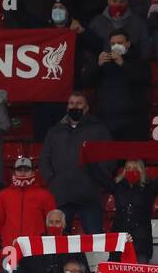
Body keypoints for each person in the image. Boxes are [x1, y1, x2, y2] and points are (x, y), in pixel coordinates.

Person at [40, 93, 112, 233]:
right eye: (71, 103)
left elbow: (108, 158)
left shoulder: (99, 130)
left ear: (86, 107)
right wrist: (52, 180)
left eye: (79, 103)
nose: (75, 106)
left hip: (89, 195)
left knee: (94, 240)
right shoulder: (55, 131)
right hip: (62, 195)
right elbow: (44, 159)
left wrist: (98, 181)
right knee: (59, 243)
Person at [90, 31, 151, 140]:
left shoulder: (138, 60)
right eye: (113, 44)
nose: (116, 46)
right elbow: (88, 81)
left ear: (127, 44)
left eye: (119, 43)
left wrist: (123, 64)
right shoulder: (104, 62)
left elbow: (145, 78)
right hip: (107, 121)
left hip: (132, 122)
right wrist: (97, 66)